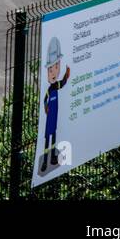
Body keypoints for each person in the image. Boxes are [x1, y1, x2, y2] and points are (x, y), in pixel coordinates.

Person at [39, 36, 71, 175]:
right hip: (49, 118)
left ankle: (52, 157)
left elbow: (62, 83)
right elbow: (45, 99)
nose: (53, 72)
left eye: (56, 67)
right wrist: (46, 106)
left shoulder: (56, 85)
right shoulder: (49, 89)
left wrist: (66, 76)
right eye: (50, 69)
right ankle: (45, 160)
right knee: (47, 138)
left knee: (54, 137)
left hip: (55, 117)